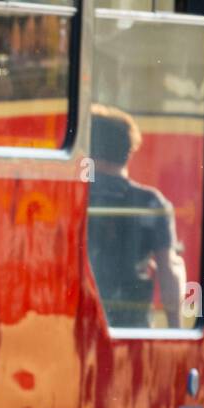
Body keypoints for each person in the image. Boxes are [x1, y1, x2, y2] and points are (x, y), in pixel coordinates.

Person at [86, 105, 187, 329]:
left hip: (81, 324)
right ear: (129, 151)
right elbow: (168, 273)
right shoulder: (151, 202)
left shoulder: (77, 196)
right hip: (132, 328)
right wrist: (176, 331)